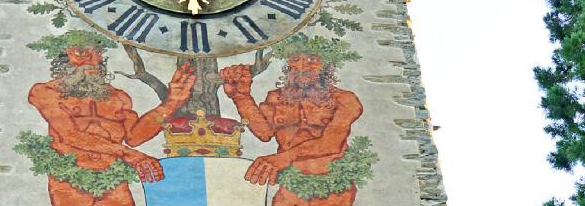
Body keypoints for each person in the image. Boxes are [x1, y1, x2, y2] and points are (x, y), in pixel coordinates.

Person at [26, 30, 196, 206]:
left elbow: (134, 137)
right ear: (63, 56)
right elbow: (70, 135)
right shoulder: (45, 92)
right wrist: (130, 155)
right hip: (71, 182)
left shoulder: (118, 97)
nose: (91, 60)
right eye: (81, 53)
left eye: (97, 52)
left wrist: (171, 103)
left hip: (113, 181)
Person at [220, 35, 366, 206]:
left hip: (333, 190)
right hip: (290, 188)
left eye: (312, 60)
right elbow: (264, 133)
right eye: (296, 59)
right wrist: (241, 97)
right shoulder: (276, 98)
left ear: (327, 65)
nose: (302, 67)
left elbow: (331, 143)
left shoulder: (346, 100)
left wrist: (282, 158)